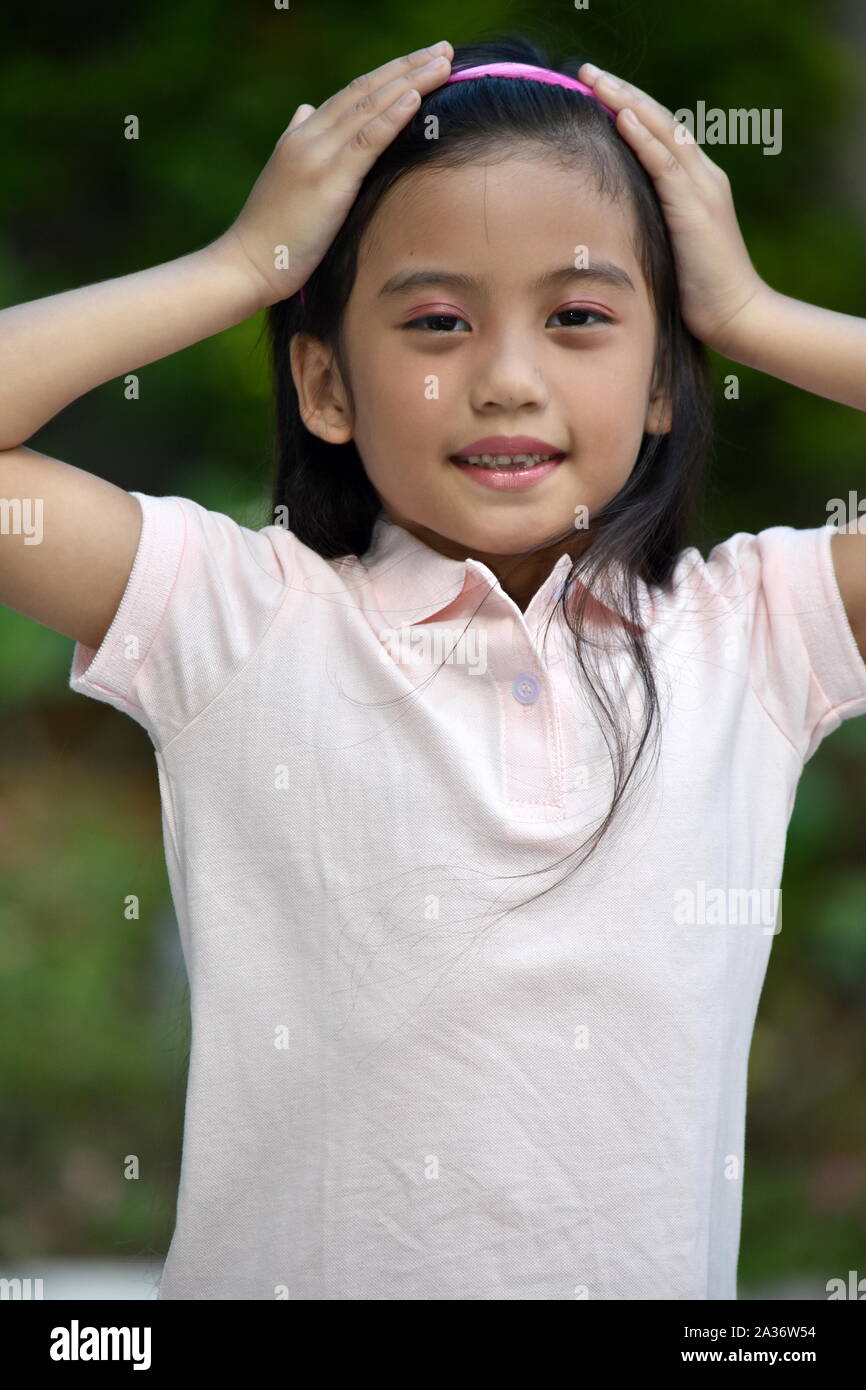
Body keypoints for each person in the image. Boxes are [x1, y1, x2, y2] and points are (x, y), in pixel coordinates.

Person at [2, 31, 866, 1301]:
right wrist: (238, 267)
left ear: (665, 380)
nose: (506, 380)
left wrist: (748, 316)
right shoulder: (235, 617)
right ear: (324, 382)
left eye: (577, 317)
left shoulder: (754, 630)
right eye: (435, 322)